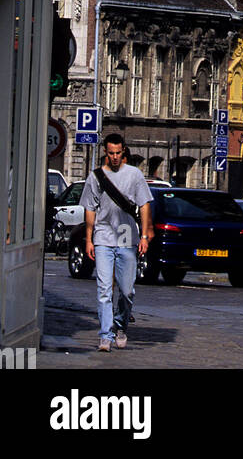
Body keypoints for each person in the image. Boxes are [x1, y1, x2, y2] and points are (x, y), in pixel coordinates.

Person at [80, 133, 153, 353]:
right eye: (110, 153)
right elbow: (90, 208)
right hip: (103, 236)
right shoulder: (95, 177)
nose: (114, 157)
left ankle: (121, 326)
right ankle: (105, 335)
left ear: (124, 152)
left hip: (126, 235)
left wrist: (144, 236)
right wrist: (89, 239)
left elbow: (144, 205)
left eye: (117, 153)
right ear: (105, 152)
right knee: (104, 288)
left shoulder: (134, 175)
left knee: (126, 289)